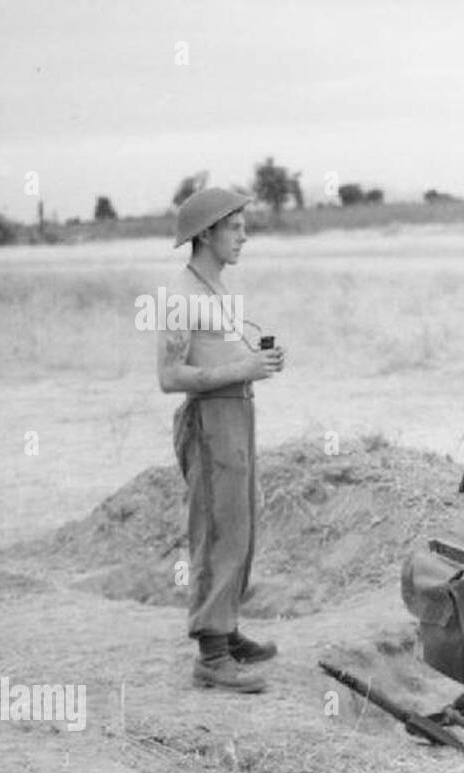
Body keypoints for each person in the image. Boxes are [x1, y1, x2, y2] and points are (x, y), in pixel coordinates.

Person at [158, 187, 286, 693]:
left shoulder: (215, 291)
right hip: (211, 420)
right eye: (234, 227)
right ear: (205, 234)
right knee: (215, 528)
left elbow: (218, 358)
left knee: (239, 524)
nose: (244, 236)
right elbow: (169, 377)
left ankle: (226, 630)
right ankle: (211, 655)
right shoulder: (181, 297)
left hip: (236, 414)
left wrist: (259, 365)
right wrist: (243, 367)